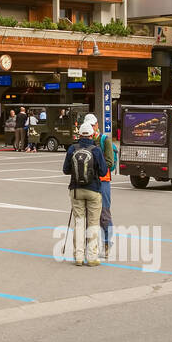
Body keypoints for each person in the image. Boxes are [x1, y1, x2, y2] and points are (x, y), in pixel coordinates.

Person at [62, 120, 108, 267]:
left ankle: (79, 256)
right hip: (94, 190)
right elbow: (103, 171)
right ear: (92, 135)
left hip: (76, 190)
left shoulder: (72, 148)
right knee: (93, 223)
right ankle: (92, 257)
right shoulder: (96, 150)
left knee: (79, 222)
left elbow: (65, 169)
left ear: (79, 134)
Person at [85, 113, 119, 259]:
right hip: (90, 182)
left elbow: (110, 164)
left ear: (97, 125)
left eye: (93, 125)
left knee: (104, 214)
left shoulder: (104, 140)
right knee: (90, 215)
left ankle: (107, 243)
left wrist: (96, 167)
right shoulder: (86, 141)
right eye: (89, 126)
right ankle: (92, 245)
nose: (91, 128)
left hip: (103, 181)